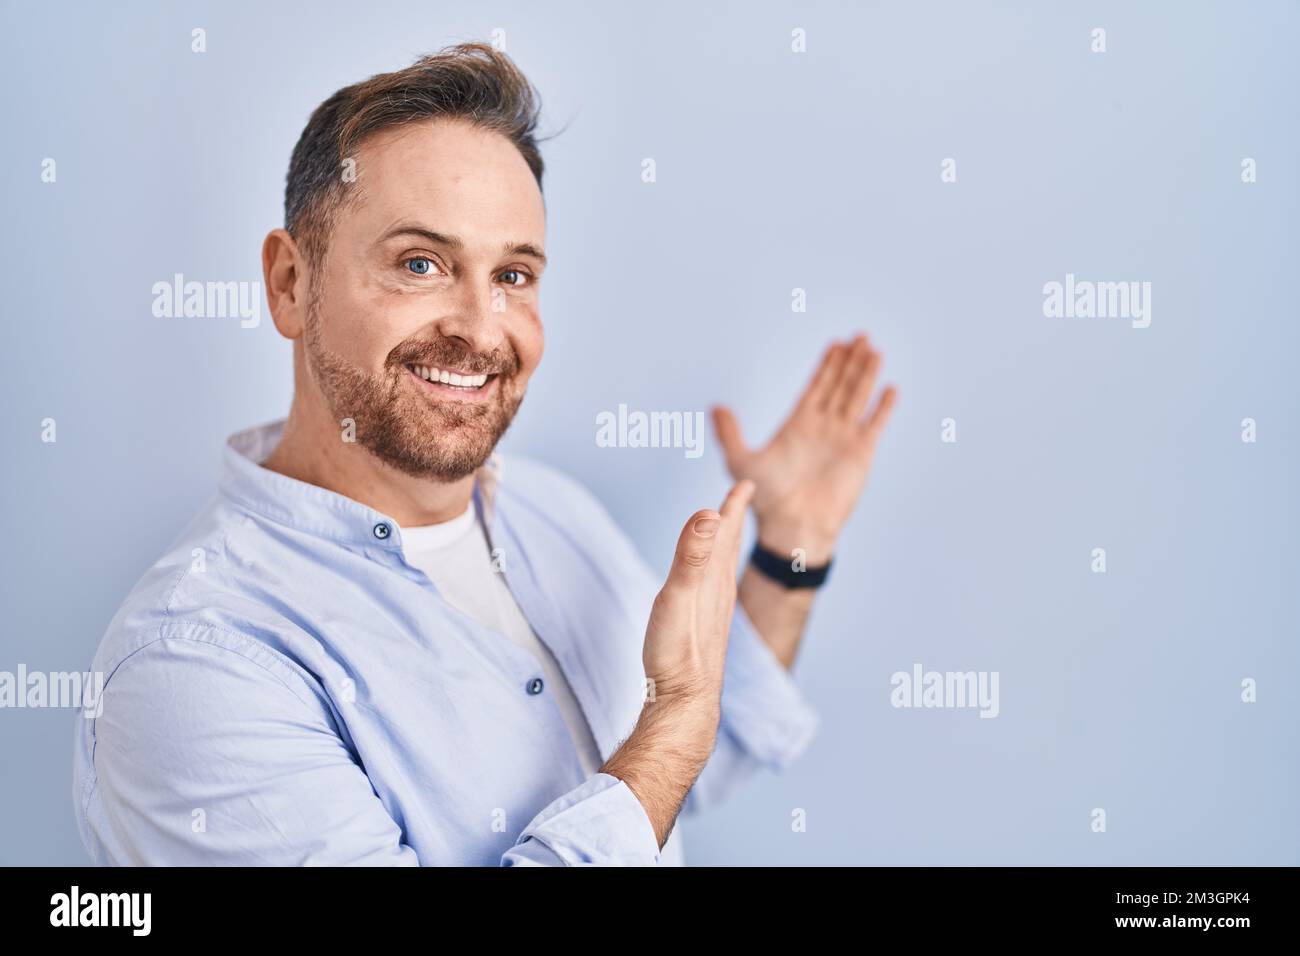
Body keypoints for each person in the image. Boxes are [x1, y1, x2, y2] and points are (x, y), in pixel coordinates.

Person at [73, 43, 897, 866]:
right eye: (420, 263)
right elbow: (669, 747)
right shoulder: (195, 664)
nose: (479, 327)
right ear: (291, 282)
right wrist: (674, 719)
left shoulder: (552, 514)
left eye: (513, 275)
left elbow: (670, 783)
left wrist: (794, 550)